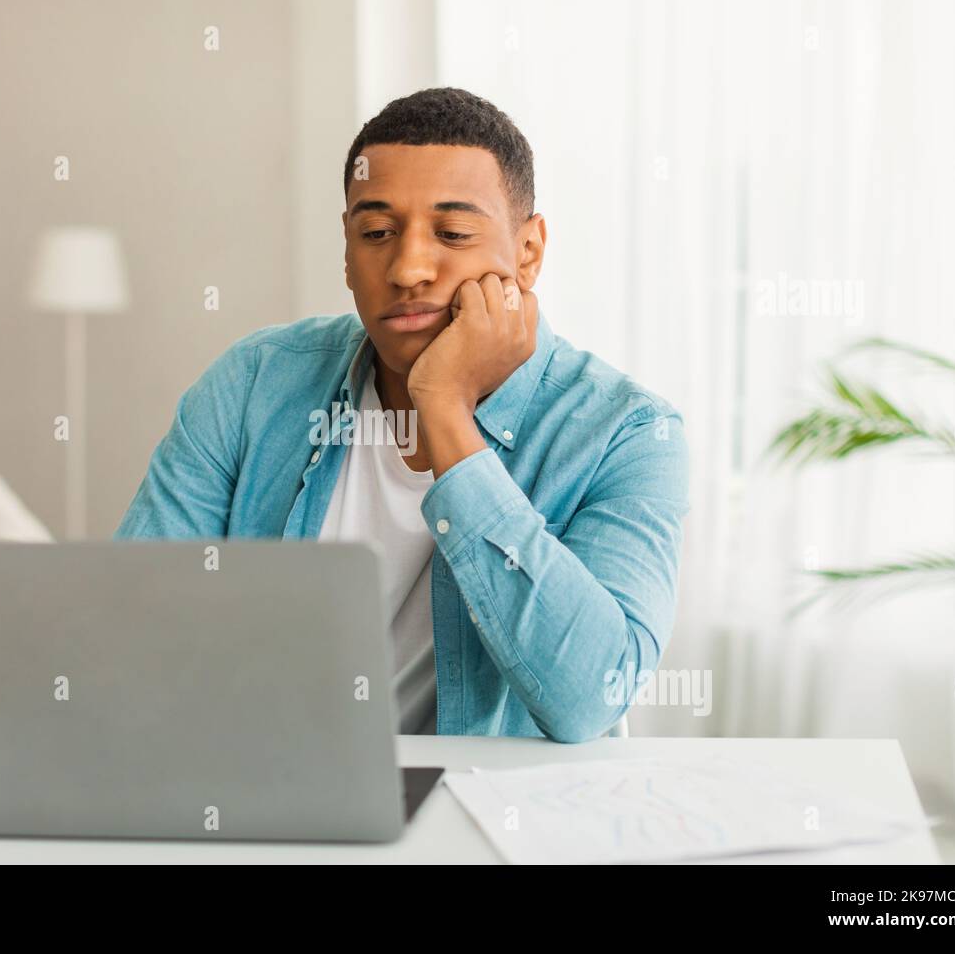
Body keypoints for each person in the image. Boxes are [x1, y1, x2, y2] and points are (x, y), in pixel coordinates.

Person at [115, 87, 690, 742]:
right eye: (378, 232)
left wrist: (442, 407)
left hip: (494, 828)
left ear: (527, 252)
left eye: (452, 233)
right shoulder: (254, 384)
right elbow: (134, 634)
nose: (409, 267)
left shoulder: (629, 432)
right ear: (346, 247)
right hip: (273, 809)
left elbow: (590, 697)